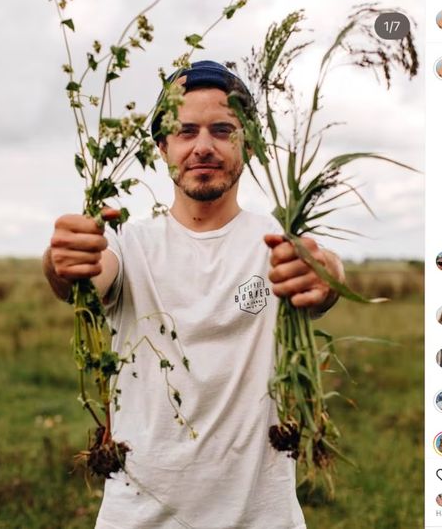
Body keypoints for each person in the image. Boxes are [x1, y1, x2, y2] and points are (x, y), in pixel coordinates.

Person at [43, 61, 345, 529]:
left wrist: (329, 275)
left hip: (262, 516)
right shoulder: (129, 243)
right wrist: (64, 260)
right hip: (138, 518)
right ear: (162, 146)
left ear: (247, 142)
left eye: (222, 130)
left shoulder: (276, 242)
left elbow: (319, 274)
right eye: (186, 132)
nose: (203, 146)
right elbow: (83, 275)